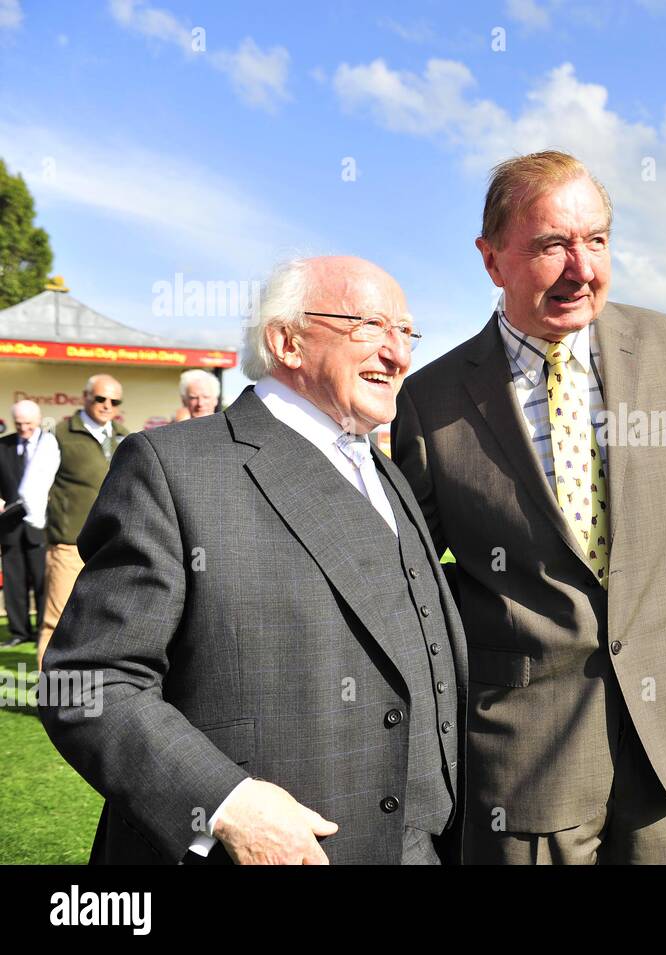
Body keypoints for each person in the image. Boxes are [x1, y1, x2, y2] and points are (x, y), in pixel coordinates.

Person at [393, 150, 666, 864]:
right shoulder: (431, 401)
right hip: (525, 758)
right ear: (492, 260)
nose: (583, 268)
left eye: (597, 240)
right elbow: (403, 578)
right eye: (552, 245)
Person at [40, 256, 466, 865]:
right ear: (287, 340)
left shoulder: (389, 475)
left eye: (406, 331)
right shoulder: (174, 467)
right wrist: (225, 804)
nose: (399, 354)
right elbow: (88, 682)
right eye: (370, 326)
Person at [18, 375, 128, 669]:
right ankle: (50, 701)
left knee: (101, 623)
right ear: (85, 397)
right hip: (68, 546)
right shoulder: (60, 434)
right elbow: (33, 488)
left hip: (110, 548)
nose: (107, 406)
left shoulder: (123, 436)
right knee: (56, 622)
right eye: (100, 399)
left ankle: (90, 694)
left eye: (114, 401)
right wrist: (53, 530)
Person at [0, 401, 47, 646]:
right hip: (8, 526)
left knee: (43, 580)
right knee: (14, 580)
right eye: (19, 424)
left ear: (38, 420)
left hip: (40, 527)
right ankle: (19, 632)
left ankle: (43, 629)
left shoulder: (49, 445)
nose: (23, 429)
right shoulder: (3, 445)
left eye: (28, 424)